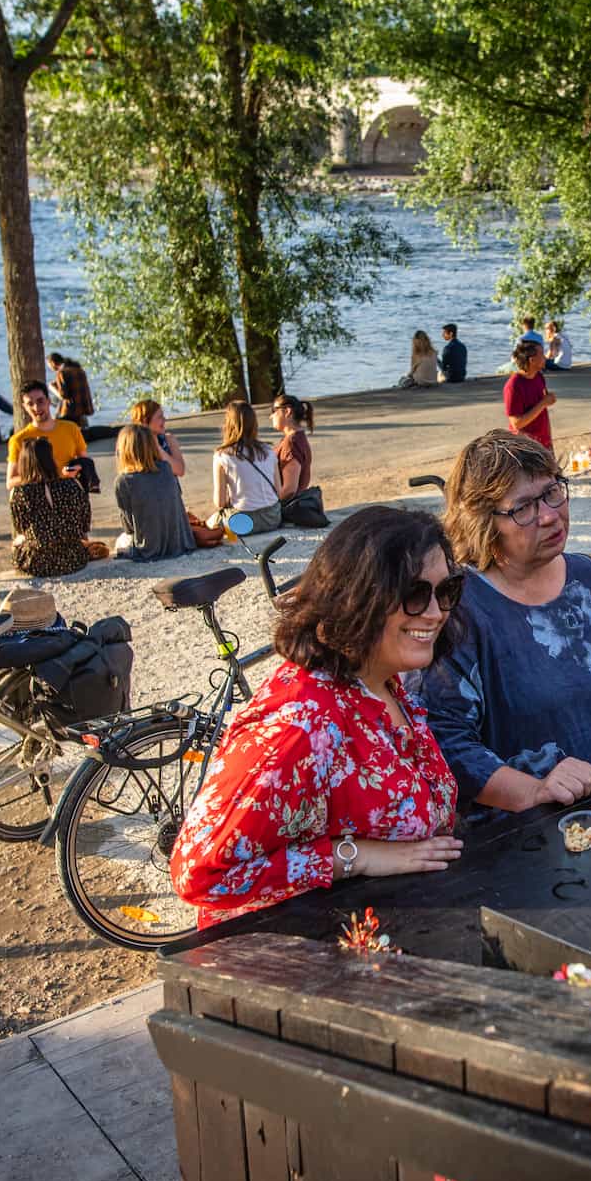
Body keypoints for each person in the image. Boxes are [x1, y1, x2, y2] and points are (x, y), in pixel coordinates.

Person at [169, 506, 464, 924]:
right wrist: (354, 855)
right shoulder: (303, 724)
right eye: (414, 594)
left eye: (446, 591)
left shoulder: (381, 684)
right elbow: (199, 874)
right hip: (299, 961)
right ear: (357, 598)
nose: (435, 612)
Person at [422, 432, 591, 812]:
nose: (549, 515)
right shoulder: (460, 608)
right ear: (483, 521)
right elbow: (445, 742)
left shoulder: (589, 576)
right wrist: (536, 790)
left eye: (552, 492)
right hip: (507, 838)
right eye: (523, 508)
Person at [8, 437, 91, 577]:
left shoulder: (19, 493)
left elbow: (21, 530)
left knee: (17, 543)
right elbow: (84, 524)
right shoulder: (73, 485)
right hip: (74, 558)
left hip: (37, 563)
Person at [111, 422, 195, 561]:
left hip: (149, 549)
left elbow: (129, 528)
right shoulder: (166, 469)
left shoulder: (123, 481)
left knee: (121, 541)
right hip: (180, 544)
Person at [213, 401, 284, 533]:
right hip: (272, 519)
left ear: (228, 425)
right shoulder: (268, 450)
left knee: (214, 521)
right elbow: (279, 492)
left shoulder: (222, 455)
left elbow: (220, 502)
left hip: (244, 523)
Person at [6, 381, 87, 489]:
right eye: (30, 404)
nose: (36, 408)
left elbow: (85, 463)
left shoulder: (71, 428)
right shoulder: (18, 440)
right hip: (39, 500)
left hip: (70, 494)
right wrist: (43, 477)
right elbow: (10, 482)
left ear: (48, 401)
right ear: (24, 407)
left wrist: (77, 469)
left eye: (40, 401)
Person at [503, 338, 555, 451]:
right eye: (541, 354)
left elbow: (543, 412)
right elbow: (516, 423)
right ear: (532, 360)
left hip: (543, 443)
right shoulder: (513, 386)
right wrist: (544, 403)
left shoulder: (539, 377)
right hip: (524, 447)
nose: (545, 357)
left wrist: (549, 441)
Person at [127, 398, 186, 479]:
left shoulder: (169, 439)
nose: (164, 419)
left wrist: (158, 447)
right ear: (145, 421)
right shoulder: (131, 445)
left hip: (169, 490)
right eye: (160, 417)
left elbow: (180, 470)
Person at [271, 394, 315, 496]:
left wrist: (270, 505)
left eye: (274, 410)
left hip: (286, 509)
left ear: (287, 411)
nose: (271, 416)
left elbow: (290, 489)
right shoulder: (298, 437)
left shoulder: (291, 443)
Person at [49, 353, 95, 426]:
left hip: (70, 412)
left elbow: (63, 396)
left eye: (49, 365)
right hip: (83, 409)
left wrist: (52, 388)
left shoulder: (61, 372)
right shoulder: (79, 370)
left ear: (52, 363)